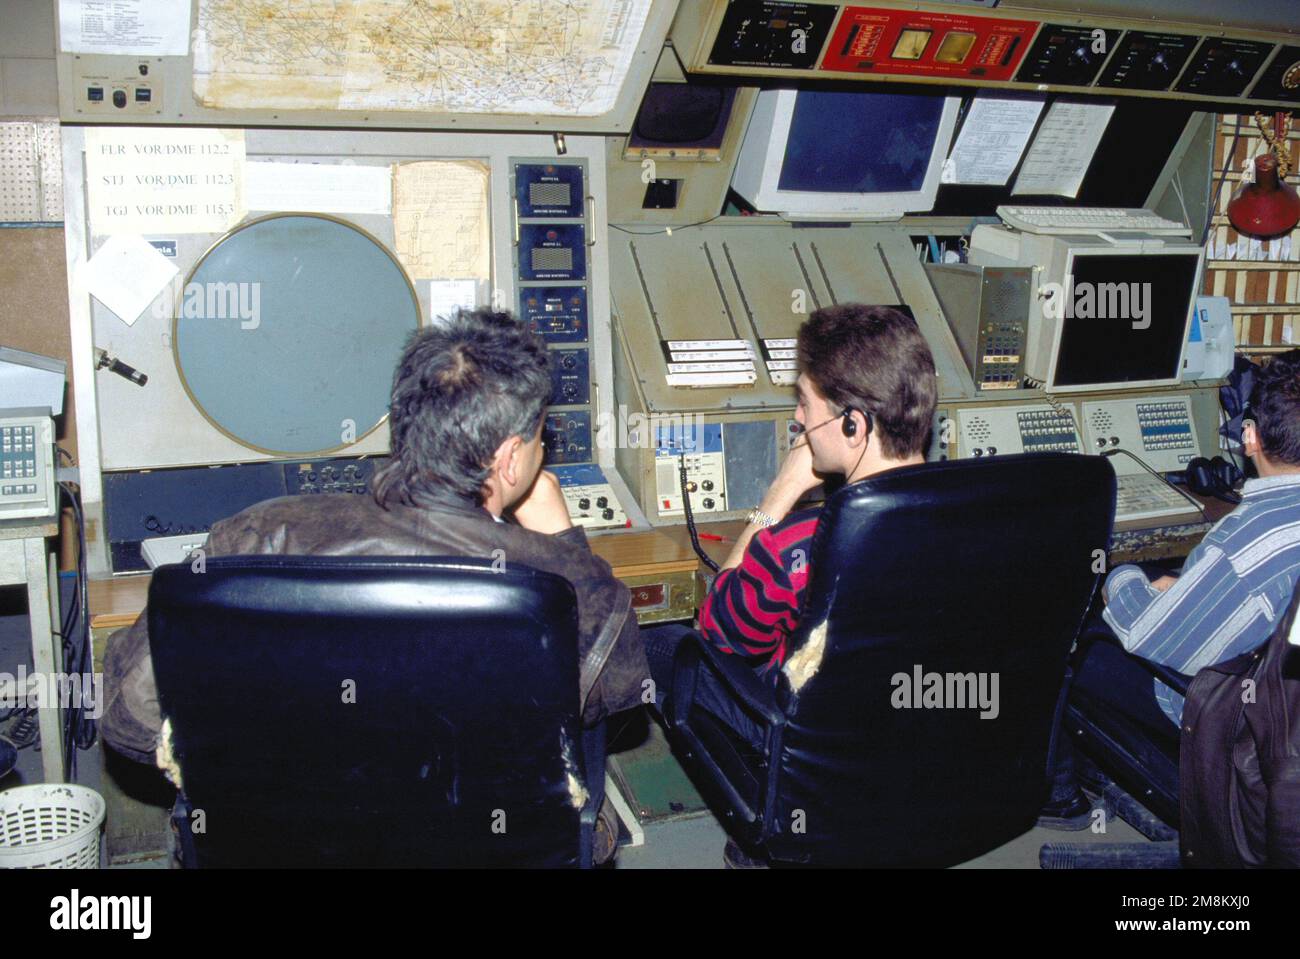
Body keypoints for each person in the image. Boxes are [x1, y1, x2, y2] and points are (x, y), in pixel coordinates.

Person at [101, 309, 649, 859]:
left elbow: (128, 720)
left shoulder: (253, 535)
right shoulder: (552, 580)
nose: (542, 450)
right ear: (509, 460)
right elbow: (620, 692)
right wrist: (564, 543)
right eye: (538, 439)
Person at [642, 304, 938, 751]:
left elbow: (721, 635)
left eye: (804, 401)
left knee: (651, 639)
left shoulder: (799, 545)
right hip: (928, 735)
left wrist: (780, 494)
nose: (798, 419)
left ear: (852, 425)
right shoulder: (991, 518)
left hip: (813, 741)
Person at [1081, 348, 1300, 731]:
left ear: (1250, 437)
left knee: (1079, 643)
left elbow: (1149, 635)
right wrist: (1193, 588)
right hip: (1286, 708)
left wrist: (1124, 578)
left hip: (1235, 726)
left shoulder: (1243, 545)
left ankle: (1077, 787)